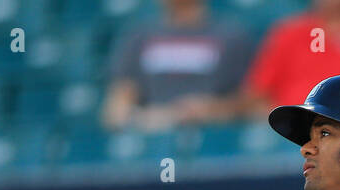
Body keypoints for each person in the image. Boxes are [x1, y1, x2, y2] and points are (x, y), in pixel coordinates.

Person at [102, 0, 254, 131]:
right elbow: (117, 107)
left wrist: (209, 110)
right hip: (153, 140)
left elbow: (249, 103)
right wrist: (145, 119)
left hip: (212, 137)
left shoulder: (232, 35)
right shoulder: (138, 37)